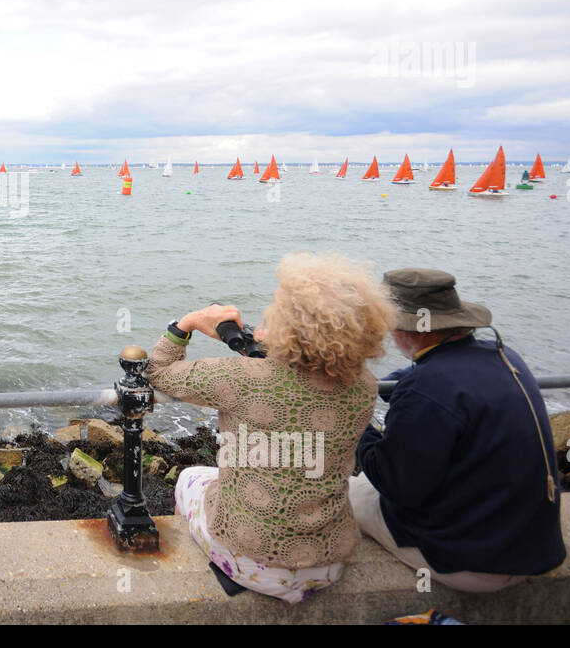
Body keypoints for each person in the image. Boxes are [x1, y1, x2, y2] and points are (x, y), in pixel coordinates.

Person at [145, 252, 395, 603]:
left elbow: (158, 370)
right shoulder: (364, 387)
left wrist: (189, 322)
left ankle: (201, 569)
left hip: (249, 560)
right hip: (327, 565)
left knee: (191, 477)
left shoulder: (239, 379)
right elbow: (301, 382)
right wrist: (265, 350)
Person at [350, 268, 565, 591]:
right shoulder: (504, 356)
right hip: (534, 546)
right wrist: (389, 385)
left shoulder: (427, 388)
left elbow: (397, 486)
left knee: (350, 490)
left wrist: (357, 423)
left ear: (404, 327)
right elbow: (433, 379)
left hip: (474, 565)